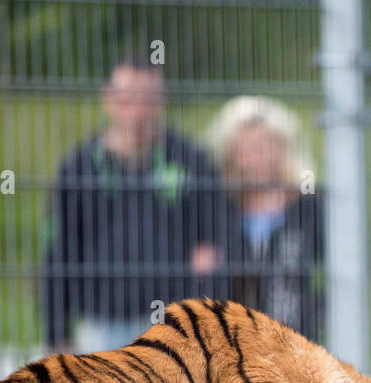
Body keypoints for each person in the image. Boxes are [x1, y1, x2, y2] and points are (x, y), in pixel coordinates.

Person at [40, 60, 234, 352]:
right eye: (128, 100)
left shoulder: (192, 160)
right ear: (109, 99)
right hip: (101, 323)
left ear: (162, 101)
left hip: (175, 325)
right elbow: (58, 253)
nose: (138, 112)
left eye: (148, 99)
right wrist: (56, 334)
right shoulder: (78, 166)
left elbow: (218, 234)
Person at [205, 96, 323, 343]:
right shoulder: (222, 207)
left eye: (264, 146)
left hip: (296, 337)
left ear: (283, 148)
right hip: (235, 339)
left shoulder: (307, 203)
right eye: (246, 149)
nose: (256, 158)